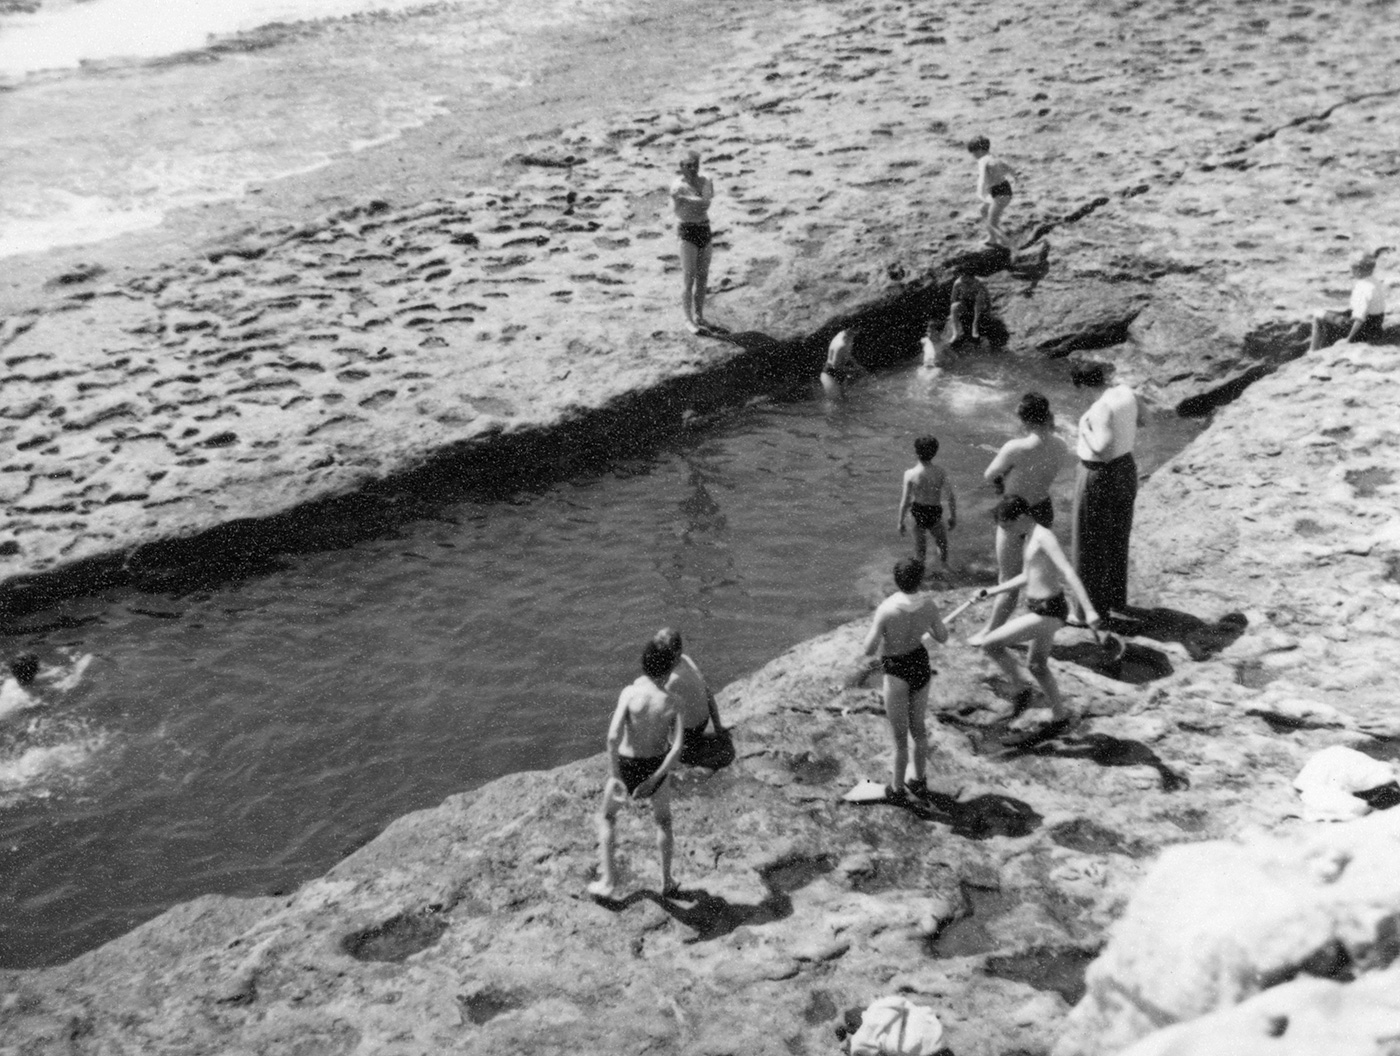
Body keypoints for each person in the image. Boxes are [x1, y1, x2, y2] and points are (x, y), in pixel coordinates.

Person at [969, 497, 1100, 732]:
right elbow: (1026, 576)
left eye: (1007, 526)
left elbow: (1068, 572)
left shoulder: (1043, 537)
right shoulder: (1029, 537)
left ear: (1020, 518)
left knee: (990, 644)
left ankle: (1021, 689)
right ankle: (1060, 716)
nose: (1006, 532)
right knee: (1037, 665)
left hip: (1049, 611)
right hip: (1040, 608)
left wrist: (1089, 610)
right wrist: (991, 591)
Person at [589, 640, 685, 900]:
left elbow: (612, 737)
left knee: (608, 817)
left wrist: (616, 776)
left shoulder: (630, 693)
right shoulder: (674, 701)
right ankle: (667, 881)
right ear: (669, 670)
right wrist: (655, 778)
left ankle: (608, 880)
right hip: (655, 765)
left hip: (627, 764)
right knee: (663, 821)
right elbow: (676, 749)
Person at [979, 393, 1070, 635]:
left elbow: (989, 475)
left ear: (1024, 420)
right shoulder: (1061, 445)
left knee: (1008, 577)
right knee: (1037, 572)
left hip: (1015, 512)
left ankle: (990, 632)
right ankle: (1038, 623)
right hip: (1042, 509)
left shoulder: (1015, 447)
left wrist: (1006, 476)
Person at [860, 558, 949, 800]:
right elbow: (942, 636)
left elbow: (868, 649)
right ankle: (919, 780)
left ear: (896, 580)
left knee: (900, 738)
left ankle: (897, 789)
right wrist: (926, 627)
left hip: (897, 670)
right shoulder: (929, 605)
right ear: (920, 580)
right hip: (920, 664)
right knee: (918, 730)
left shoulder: (887, 609)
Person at [1070, 364, 1141, 620]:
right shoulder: (1125, 392)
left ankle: (1086, 612)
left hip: (1100, 474)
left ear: (1082, 385)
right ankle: (1114, 600)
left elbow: (1104, 449)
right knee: (1116, 537)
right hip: (1126, 469)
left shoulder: (1099, 407)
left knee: (1088, 542)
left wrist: (1084, 431)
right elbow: (1144, 420)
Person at [653, 627, 726, 767]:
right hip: (703, 723)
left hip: (688, 734)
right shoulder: (686, 659)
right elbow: (708, 693)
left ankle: (675, 749)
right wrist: (718, 727)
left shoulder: (670, 679)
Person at [670, 150, 715, 334]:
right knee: (689, 278)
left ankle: (699, 315)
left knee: (703, 277)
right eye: (688, 165)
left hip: (704, 228)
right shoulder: (677, 186)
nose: (692, 169)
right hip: (687, 231)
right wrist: (691, 200)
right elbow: (687, 207)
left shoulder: (705, 180)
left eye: (695, 164)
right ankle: (688, 320)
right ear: (681, 167)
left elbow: (705, 202)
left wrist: (690, 200)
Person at [1309, 248, 1390, 351]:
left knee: (1318, 314)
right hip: (1375, 328)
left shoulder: (1362, 287)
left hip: (1362, 331)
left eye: (1352, 268)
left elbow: (1359, 318)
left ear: (1358, 269)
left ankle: (1313, 350)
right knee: (1336, 315)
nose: (1351, 271)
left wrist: (1348, 340)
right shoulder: (1376, 282)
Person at [897, 436, 957, 566]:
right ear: (935, 452)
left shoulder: (910, 474)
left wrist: (900, 521)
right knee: (942, 543)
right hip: (934, 511)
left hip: (917, 512)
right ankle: (943, 568)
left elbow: (905, 501)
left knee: (920, 548)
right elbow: (950, 496)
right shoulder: (940, 472)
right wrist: (953, 516)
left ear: (916, 451)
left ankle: (920, 574)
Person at [967, 135, 1016, 248]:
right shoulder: (992, 157)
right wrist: (1015, 178)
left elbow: (982, 178)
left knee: (993, 223)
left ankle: (1012, 248)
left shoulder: (983, 160)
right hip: (1003, 189)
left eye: (973, 153)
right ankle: (992, 238)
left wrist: (980, 193)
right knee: (983, 209)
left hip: (999, 193)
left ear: (979, 150)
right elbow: (1007, 167)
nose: (973, 156)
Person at [948, 269, 992, 350]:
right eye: (962, 277)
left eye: (965, 277)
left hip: (978, 305)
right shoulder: (958, 283)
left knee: (979, 297)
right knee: (954, 306)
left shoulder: (978, 283)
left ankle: (974, 327)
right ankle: (955, 333)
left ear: (971, 277)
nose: (963, 279)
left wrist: (989, 310)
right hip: (965, 304)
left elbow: (987, 297)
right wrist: (956, 309)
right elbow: (953, 298)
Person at [821, 328, 863, 393]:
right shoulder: (841, 344)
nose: (857, 333)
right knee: (836, 401)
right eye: (856, 331)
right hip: (830, 374)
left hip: (840, 372)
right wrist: (853, 370)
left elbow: (846, 354)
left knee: (844, 398)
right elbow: (834, 366)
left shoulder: (846, 336)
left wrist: (856, 365)